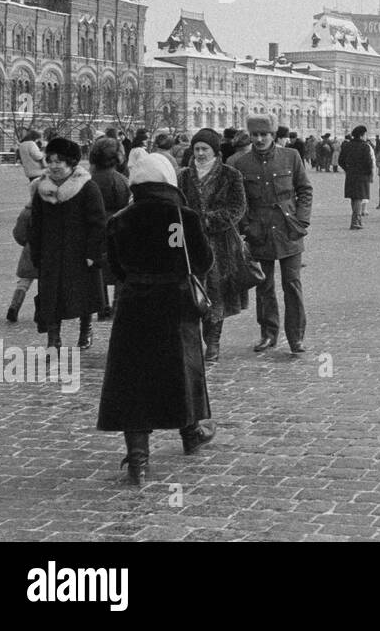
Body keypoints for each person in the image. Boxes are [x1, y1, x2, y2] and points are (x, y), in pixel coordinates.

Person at [97, 151, 216, 486]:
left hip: (134, 307)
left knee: (134, 381)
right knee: (182, 370)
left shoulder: (120, 219)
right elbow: (201, 262)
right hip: (175, 305)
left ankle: (138, 460)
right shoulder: (181, 217)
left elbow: (116, 269)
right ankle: (191, 435)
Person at [230, 113, 312, 355]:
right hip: (260, 231)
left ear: (273, 135)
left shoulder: (291, 157)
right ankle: (268, 333)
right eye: (254, 135)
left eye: (264, 134)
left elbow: (304, 189)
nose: (259, 139)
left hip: (288, 229)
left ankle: (296, 337)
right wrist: (246, 226)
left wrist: (302, 219)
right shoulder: (241, 164)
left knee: (292, 285)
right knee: (264, 286)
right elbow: (239, 200)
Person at [178, 128, 248, 364]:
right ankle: (194, 341)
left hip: (219, 243)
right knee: (191, 292)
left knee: (216, 292)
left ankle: (213, 342)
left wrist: (209, 219)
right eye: (196, 149)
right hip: (190, 244)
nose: (199, 153)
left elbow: (238, 207)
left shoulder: (230, 175)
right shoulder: (184, 176)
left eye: (204, 149)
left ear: (215, 152)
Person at [28, 137, 106, 350]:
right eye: (50, 160)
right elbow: (36, 223)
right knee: (50, 296)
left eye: (58, 161)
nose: (53, 166)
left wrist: (93, 252)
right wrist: (36, 252)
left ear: (71, 163)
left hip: (80, 253)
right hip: (50, 253)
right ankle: (53, 338)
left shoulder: (87, 187)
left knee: (84, 293)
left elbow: (98, 223)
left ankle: (85, 329)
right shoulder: (42, 189)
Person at [88, 137, 131, 321]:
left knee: (97, 269)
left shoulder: (89, 180)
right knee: (120, 268)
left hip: (94, 230)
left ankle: (101, 306)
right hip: (117, 229)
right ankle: (117, 305)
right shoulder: (121, 180)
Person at [338, 125, 374, 229]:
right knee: (358, 197)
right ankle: (355, 220)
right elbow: (369, 163)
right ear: (362, 135)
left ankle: (356, 219)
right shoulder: (365, 146)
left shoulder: (347, 146)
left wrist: (347, 169)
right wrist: (368, 173)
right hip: (361, 175)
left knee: (354, 197)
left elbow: (341, 161)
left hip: (351, 174)